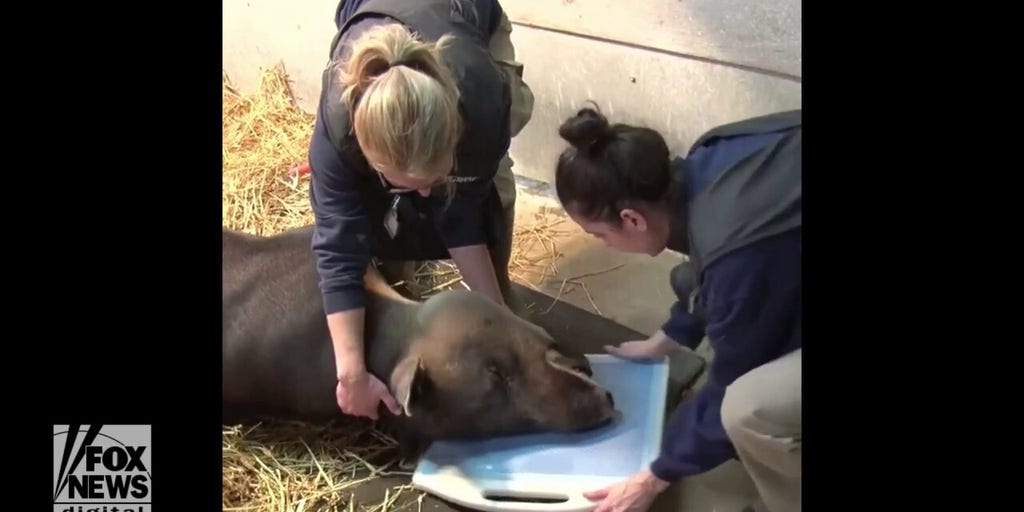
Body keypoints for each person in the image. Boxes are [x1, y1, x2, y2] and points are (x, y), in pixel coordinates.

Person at [551, 106, 802, 512]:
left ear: (631, 219)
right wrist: (662, 342)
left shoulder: (737, 255)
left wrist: (654, 476)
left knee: (749, 410)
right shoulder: (709, 159)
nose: (602, 244)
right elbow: (708, 279)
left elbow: (728, 382)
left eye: (597, 233)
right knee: (690, 279)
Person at [306, 0, 535, 422]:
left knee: (489, 187)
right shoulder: (338, 130)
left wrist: (497, 315)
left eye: (437, 175)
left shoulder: (482, 100)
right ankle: (398, 273)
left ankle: (500, 286)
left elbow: (463, 213)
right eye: (407, 182)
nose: (428, 194)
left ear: (456, 134)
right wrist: (351, 373)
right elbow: (339, 250)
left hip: (464, 26)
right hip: (372, 19)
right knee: (368, 212)